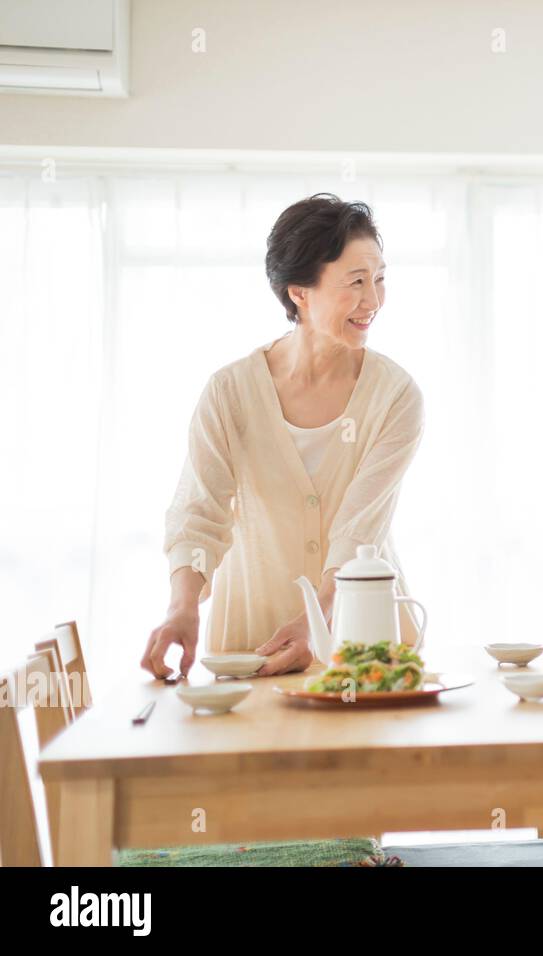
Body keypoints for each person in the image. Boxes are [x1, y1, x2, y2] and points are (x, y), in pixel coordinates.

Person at [142, 193, 425, 679]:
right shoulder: (231, 392)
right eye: (356, 282)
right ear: (299, 292)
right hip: (253, 641)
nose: (373, 301)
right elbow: (198, 511)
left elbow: (361, 530)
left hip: (362, 646)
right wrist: (182, 606)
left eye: (379, 279)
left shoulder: (395, 396)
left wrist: (318, 620)